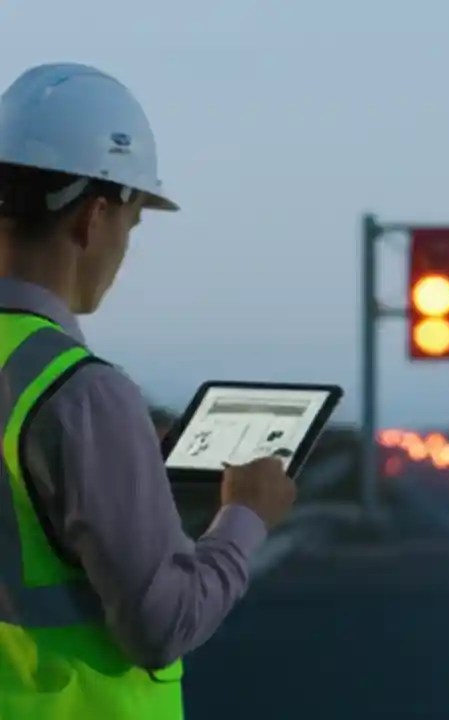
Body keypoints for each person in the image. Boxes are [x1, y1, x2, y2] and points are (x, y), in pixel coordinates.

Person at [0, 63, 298, 719]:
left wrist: (121, 463)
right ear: (94, 218)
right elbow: (161, 625)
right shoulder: (83, 396)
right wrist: (246, 516)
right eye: (132, 225)